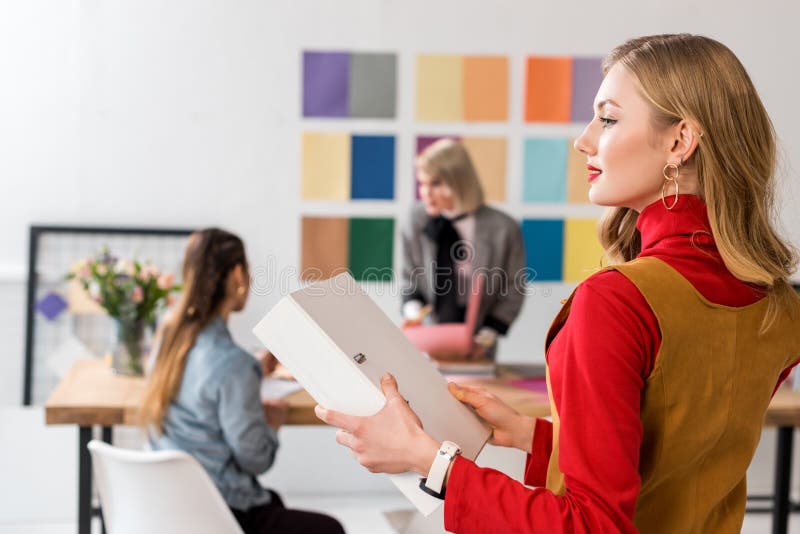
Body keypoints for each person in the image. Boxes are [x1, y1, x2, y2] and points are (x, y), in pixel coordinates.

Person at [314, 34, 800, 533]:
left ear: (679, 141)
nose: (583, 139)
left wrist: (427, 460)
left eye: (608, 118)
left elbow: (592, 527)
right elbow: (678, 461)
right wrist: (534, 436)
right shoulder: (780, 306)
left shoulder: (618, 302)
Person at [141, 228, 344, 534]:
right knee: (329, 529)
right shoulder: (233, 364)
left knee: (273, 502)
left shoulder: (165, 344)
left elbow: (207, 380)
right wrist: (272, 425)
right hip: (221, 512)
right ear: (237, 275)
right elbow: (256, 460)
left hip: (168, 508)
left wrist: (252, 370)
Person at [402, 138, 526, 359]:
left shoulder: (503, 227)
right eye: (422, 183)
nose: (425, 193)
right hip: (430, 334)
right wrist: (413, 311)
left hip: (480, 337)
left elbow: (514, 287)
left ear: (459, 182)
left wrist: (489, 333)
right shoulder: (416, 220)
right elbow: (409, 276)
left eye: (436, 184)